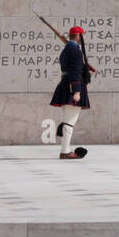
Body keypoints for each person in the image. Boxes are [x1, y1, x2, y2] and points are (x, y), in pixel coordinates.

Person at [49, 25, 90, 160]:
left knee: (68, 120)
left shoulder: (67, 49)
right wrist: (76, 91)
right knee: (70, 122)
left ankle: (65, 150)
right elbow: (75, 72)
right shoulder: (75, 51)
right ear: (78, 36)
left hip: (65, 84)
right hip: (73, 86)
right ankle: (65, 151)